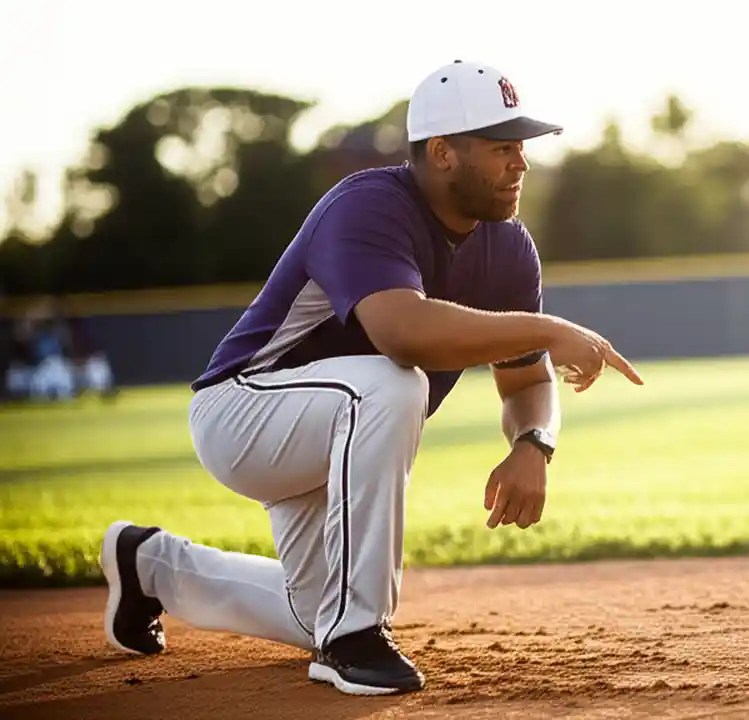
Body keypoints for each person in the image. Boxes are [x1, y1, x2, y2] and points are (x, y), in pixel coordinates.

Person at [97, 60, 644, 696]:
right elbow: (400, 333)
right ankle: (358, 636)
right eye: (501, 148)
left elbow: (525, 383)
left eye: (520, 146)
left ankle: (150, 565)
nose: (520, 162)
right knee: (394, 381)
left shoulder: (510, 248)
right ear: (442, 152)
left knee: (312, 613)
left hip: (336, 434)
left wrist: (533, 444)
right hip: (243, 411)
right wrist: (547, 330)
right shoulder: (367, 205)